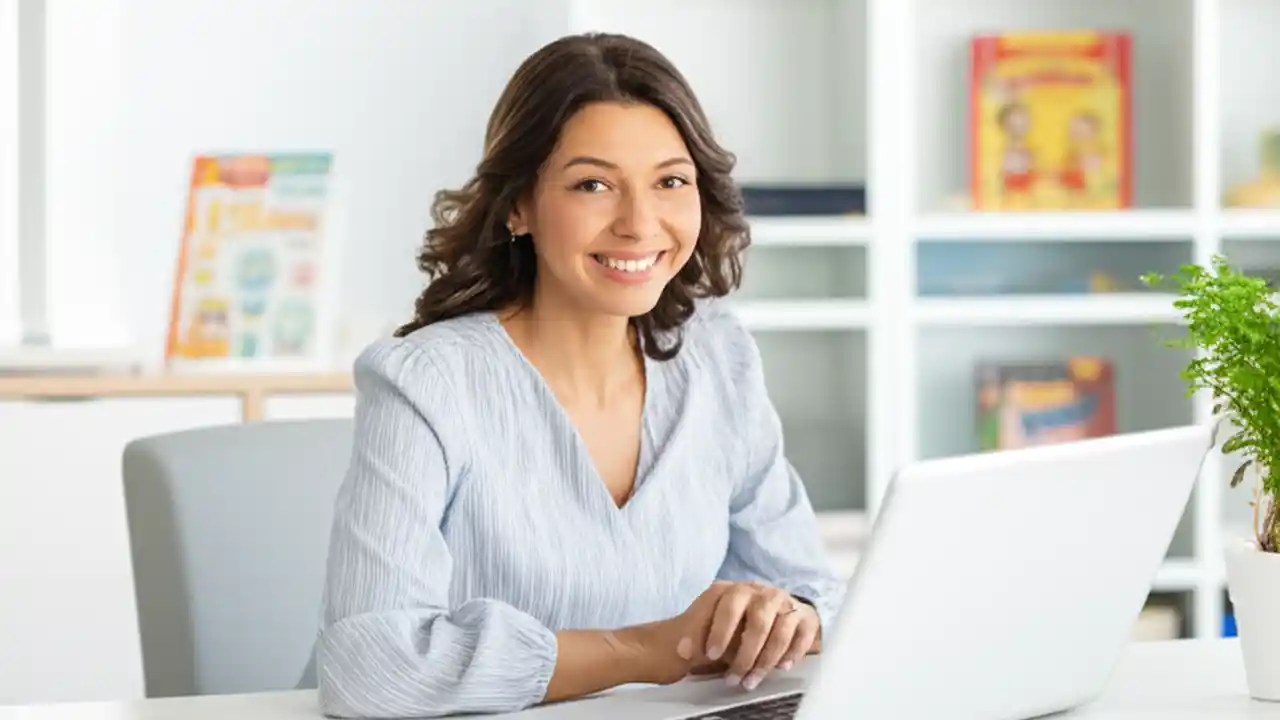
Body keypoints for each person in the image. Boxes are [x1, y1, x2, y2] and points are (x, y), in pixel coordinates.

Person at [316, 32, 845, 718]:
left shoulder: (718, 358)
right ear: (518, 206)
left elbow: (818, 591)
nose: (639, 223)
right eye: (593, 184)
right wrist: (646, 652)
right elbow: (369, 669)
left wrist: (788, 616)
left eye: (670, 182)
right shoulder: (425, 384)